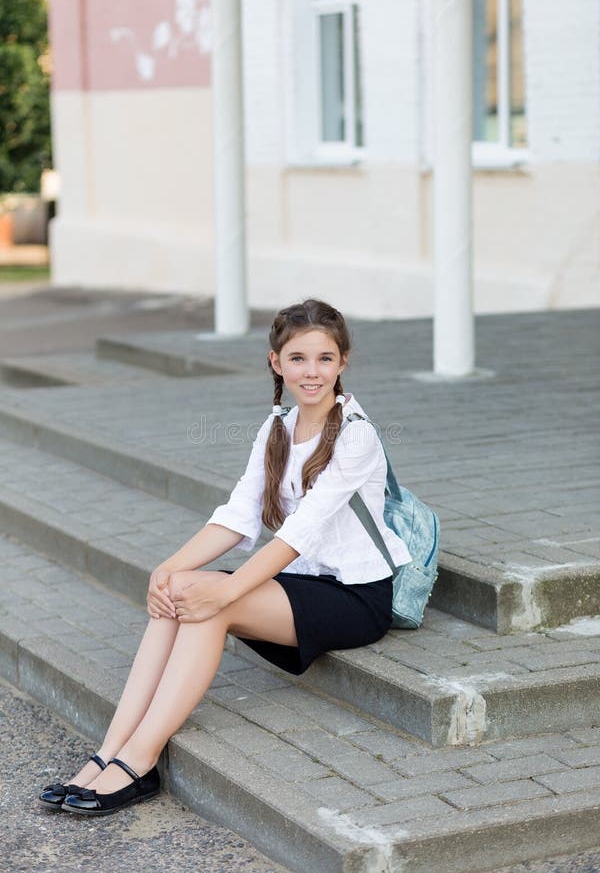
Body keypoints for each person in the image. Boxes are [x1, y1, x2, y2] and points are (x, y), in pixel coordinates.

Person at [39, 297, 412, 816]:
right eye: (298, 358)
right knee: (180, 589)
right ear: (276, 362)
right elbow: (238, 515)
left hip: (357, 596)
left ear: (343, 363)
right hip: (300, 582)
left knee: (212, 601)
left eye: (325, 359)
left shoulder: (357, 436)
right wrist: (168, 569)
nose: (312, 372)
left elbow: (298, 534)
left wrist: (227, 588)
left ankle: (139, 762)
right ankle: (108, 752)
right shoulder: (276, 428)